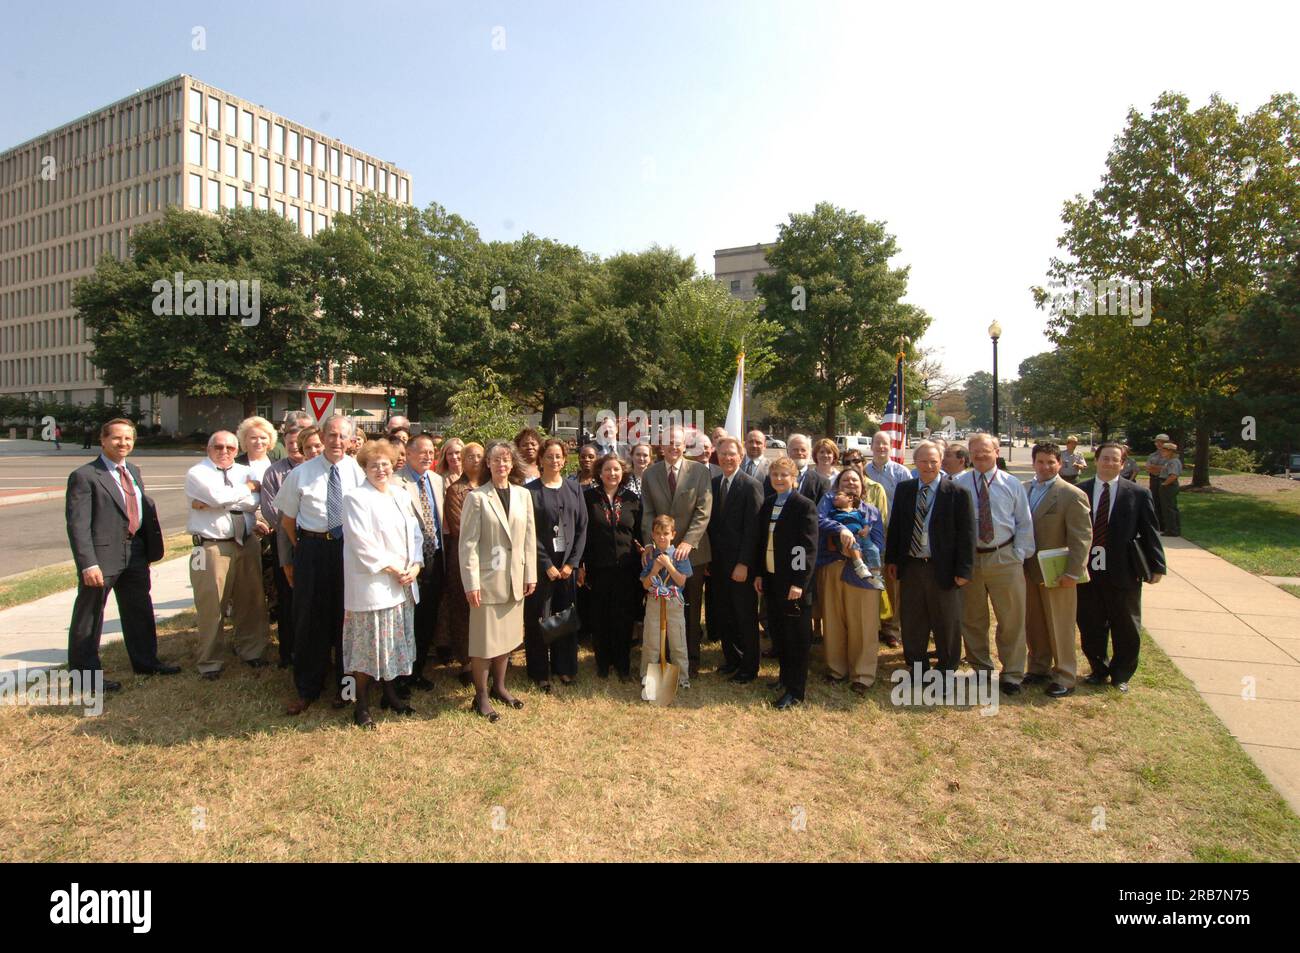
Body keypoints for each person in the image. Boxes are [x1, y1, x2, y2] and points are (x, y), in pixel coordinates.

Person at [65, 418, 176, 690]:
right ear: (103, 440)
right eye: (116, 438)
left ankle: (146, 662)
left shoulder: (134, 470)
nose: (123, 443)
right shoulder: (85, 476)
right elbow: (78, 526)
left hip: (135, 551)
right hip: (102, 558)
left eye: (128, 438)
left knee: (139, 609)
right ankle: (85, 677)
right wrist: (87, 564)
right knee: (89, 616)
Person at [276, 414, 367, 715]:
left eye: (343, 436)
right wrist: (303, 548)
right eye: (331, 435)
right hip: (312, 550)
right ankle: (307, 689)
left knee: (347, 621)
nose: (336, 441)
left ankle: (346, 688)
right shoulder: (301, 474)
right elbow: (287, 520)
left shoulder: (361, 473)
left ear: (352, 440)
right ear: (322, 436)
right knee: (309, 622)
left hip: (348, 552)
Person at [340, 438, 423, 728]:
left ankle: (390, 695)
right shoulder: (355, 498)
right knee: (366, 649)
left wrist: (415, 566)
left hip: (401, 583)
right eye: (373, 465)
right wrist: (393, 569)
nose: (380, 469)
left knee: (392, 644)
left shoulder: (400, 494)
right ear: (364, 467)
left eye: (385, 464)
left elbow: (415, 535)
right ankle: (361, 705)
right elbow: (362, 543)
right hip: (373, 586)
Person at [1076, 443, 1167, 693]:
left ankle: (1121, 674)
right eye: (1104, 458)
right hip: (1088, 570)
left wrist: (1157, 564)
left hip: (1124, 570)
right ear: (1096, 460)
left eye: (1114, 459)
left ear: (1123, 464)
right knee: (1090, 622)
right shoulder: (1079, 491)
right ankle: (1098, 669)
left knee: (1126, 624)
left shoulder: (1137, 494)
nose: (1108, 463)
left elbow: (1150, 531)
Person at [460, 441, 537, 722]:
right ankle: (480, 696)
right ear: (488, 464)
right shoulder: (477, 497)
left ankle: (499, 687)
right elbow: (467, 545)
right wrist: (471, 583)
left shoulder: (523, 495)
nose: (501, 465)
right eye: (496, 460)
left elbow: (529, 537)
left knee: (506, 638)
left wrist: (530, 575)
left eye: (506, 460)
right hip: (487, 580)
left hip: (515, 578)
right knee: (484, 641)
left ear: (512, 464)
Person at [953, 434, 1035, 694]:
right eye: (974, 451)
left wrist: (1018, 554)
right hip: (970, 559)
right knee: (973, 618)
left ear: (997, 451)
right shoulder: (959, 483)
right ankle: (981, 669)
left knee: (1011, 618)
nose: (979, 455)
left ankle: (1012, 673)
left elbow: (1024, 522)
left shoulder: (1012, 484)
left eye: (985, 451)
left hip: (1004, 557)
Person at [185, 431, 271, 680]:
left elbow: (256, 501)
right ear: (208, 448)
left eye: (230, 448)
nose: (224, 452)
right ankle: (210, 661)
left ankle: (252, 651)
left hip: (246, 542)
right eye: (218, 447)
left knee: (251, 601)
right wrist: (242, 492)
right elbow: (220, 496)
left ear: (237, 450)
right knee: (212, 605)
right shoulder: (197, 473)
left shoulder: (246, 471)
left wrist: (218, 501)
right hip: (211, 546)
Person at [884, 440, 974, 676]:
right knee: (913, 619)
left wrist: (964, 570)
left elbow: (967, 535)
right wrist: (892, 559)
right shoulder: (905, 489)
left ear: (940, 462)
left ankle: (947, 667)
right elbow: (896, 527)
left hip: (942, 567)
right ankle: (916, 666)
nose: (928, 466)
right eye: (923, 461)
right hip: (912, 565)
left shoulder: (957, 493)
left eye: (933, 461)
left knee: (946, 620)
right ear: (916, 462)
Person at [639, 424, 713, 678]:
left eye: (678, 442)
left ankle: (689, 661)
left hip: (691, 554)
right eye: (668, 442)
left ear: (685, 446)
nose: (673, 447)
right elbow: (648, 511)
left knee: (690, 609)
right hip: (659, 553)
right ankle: (664, 658)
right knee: (661, 608)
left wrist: (688, 542)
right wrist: (651, 543)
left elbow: (703, 511)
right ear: (661, 446)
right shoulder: (650, 474)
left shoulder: (700, 472)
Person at [1022, 442, 1093, 698]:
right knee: (1034, 622)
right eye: (1040, 462)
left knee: (1059, 623)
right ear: (1033, 463)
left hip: (1058, 571)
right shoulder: (1024, 489)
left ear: (1060, 464)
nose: (1045, 467)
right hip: (1028, 569)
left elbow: (1082, 537)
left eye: (1051, 462)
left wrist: (1074, 571)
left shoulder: (1071, 494)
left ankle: (1065, 674)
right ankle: (1038, 667)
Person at [753, 457, 819, 709]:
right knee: (779, 633)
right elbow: (762, 542)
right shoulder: (769, 504)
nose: (779, 479)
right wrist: (759, 573)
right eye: (775, 475)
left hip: (793, 584)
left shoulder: (804, 506)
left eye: (784, 475)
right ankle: (784, 678)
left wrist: (799, 582)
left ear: (794, 478)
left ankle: (796, 690)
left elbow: (807, 547)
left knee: (796, 638)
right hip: (772, 578)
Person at [525, 438, 588, 690]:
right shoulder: (530, 492)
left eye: (558, 456)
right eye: (549, 456)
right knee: (539, 617)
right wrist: (545, 564)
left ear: (564, 460)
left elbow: (582, 528)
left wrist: (572, 564)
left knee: (565, 618)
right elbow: (528, 532)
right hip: (542, 568)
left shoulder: (574, 488)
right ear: (540, 460)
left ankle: (565, 667)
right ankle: (540, 671)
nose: (554, 460)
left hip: (566, 568)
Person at [816, 468, 886, 693]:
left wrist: (860, 550)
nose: (850, 483)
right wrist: (841, 529)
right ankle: (836, 670)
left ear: (862, 486)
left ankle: (862, 675)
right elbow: (817, 522)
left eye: (855, 480)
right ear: (838, 485)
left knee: (863, 624)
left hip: (863, 573)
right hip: (832, 567)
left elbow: (879, 542)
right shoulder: (829, 504)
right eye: (845, 480)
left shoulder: (871, 511)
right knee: (834, 620)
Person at [580, 454, 643, 680]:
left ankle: (622, 664)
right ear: (599, 472)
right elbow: (581, 533)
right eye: (607, 469)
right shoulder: (587, 498)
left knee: (623, 617)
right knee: (600, 616)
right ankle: (603, 663)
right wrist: (580, 564)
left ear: (622, 473)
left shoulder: (632, 499)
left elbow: (639, 534)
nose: (612, 474)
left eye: (616, 470)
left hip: (627, 569)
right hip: (598, 567)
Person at [707, 436, 763, 682]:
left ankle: (749, 667)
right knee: (725, 614)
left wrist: (744, 563)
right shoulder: (714, 483)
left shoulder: (751, 485)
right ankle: (732, 660)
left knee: (745, 617)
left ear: (741, 456)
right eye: (723, 454)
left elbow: (754, 530)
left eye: (732, 454)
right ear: (716, 457)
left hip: (741, 565)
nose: (727, 458)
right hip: (718, 564)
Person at [397, 432, 445, 691]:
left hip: (435, 559)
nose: (428, 456)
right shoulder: (396, 482)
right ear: (409, 453)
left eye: (431, 452)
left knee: (427, 619)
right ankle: (401, 676)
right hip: (409, 563)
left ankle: (418, 670)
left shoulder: (436, 480)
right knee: (408, 620)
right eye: (422, 452)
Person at [261, 424, 310, 668]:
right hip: (284, 541)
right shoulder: (274, 472)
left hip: (312, 543)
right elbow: (273, 512)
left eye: (297, 443)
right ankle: (287, 652)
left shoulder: (319, 470)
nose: (294, 447)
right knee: (288, 600)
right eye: (289, 443)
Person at [436, 439, 483, 684]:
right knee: (462, 610)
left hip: (488, 560)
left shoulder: (490, 486)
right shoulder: (455, 490)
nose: (475, 459)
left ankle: (483, 658)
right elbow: (460, 528)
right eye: (470, 456)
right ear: (462, 462)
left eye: (479, 455)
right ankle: (465, 662)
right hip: (462, 558)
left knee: (483, 611)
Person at [235, 416, 279, 635]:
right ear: (244, 440)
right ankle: (250, 628)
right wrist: (254, 523)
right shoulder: (236, 465)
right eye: (252, 437)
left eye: (263, 437)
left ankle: (272, 619)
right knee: (250, 581)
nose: (258, 442)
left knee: (273, 577)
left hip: (275, 528)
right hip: (248, 528)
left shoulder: (277, 463)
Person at [640, 515, 693, 692]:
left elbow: (681, 581)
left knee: (678, 640)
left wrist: (669, 566)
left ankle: (683, 676)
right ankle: (648, 675)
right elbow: (646, 584)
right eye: (658, 533)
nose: (662, 537)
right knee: (651, 640)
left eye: (666, 533)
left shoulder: (680, 556)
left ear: (673, 534)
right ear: (653, 536)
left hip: (674, 602)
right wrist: (655, 568)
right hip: (654, 602)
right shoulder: (649, 557)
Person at [768, 433, 829, 504]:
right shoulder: (772, 478)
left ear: (809, 453)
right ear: (788, 452)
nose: (799, 453)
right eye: (795, 450)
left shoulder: (821, 483)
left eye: (803, 450)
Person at [1156, 442, 1183, 536]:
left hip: (1169, 486)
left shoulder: (1173, 461)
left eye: (1164, 450)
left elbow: (1173, 475)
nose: (1162, 452)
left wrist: (1164, 484)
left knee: (1169, 508)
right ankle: (1172, 529)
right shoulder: (1169, 461)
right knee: (1169, 507)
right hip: (1167, 485)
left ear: (1171, 451)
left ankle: (1172, 530)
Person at [1145, 433, 1170, 530]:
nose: (1159, 444)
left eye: (1162, 442)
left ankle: (1165, 525)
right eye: (1158, 441)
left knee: (1164, 502)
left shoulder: (1170, 456)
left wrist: (1154, 467)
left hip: (1164, 480)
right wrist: (1158, 468)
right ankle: (1156, 524)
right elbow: (1148, 468)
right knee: (1154, 501)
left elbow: (1167, 469)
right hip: (1153, 480)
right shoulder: (1152, 455)